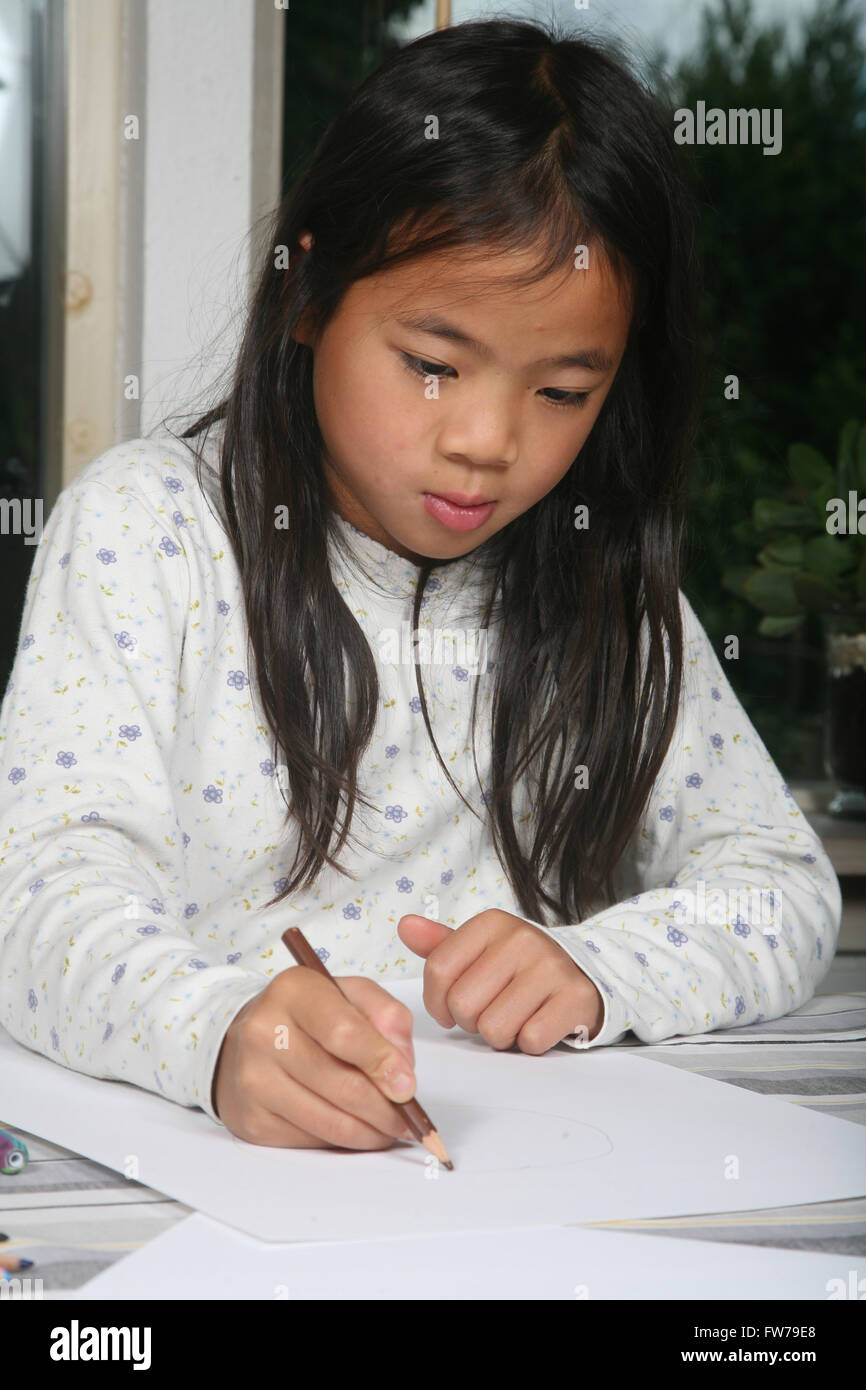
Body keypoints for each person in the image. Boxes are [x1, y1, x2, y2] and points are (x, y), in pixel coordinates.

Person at [0, 19, 840, 1153]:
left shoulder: (599, 582)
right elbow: (38, 898)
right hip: (200, 1187)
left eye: (561, 391)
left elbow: (780, 888)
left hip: (514, 1198)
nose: (488, 443)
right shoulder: (149, 533)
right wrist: (210, 1030)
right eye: (433, 366)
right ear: (308, 296)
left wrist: (599, 968)